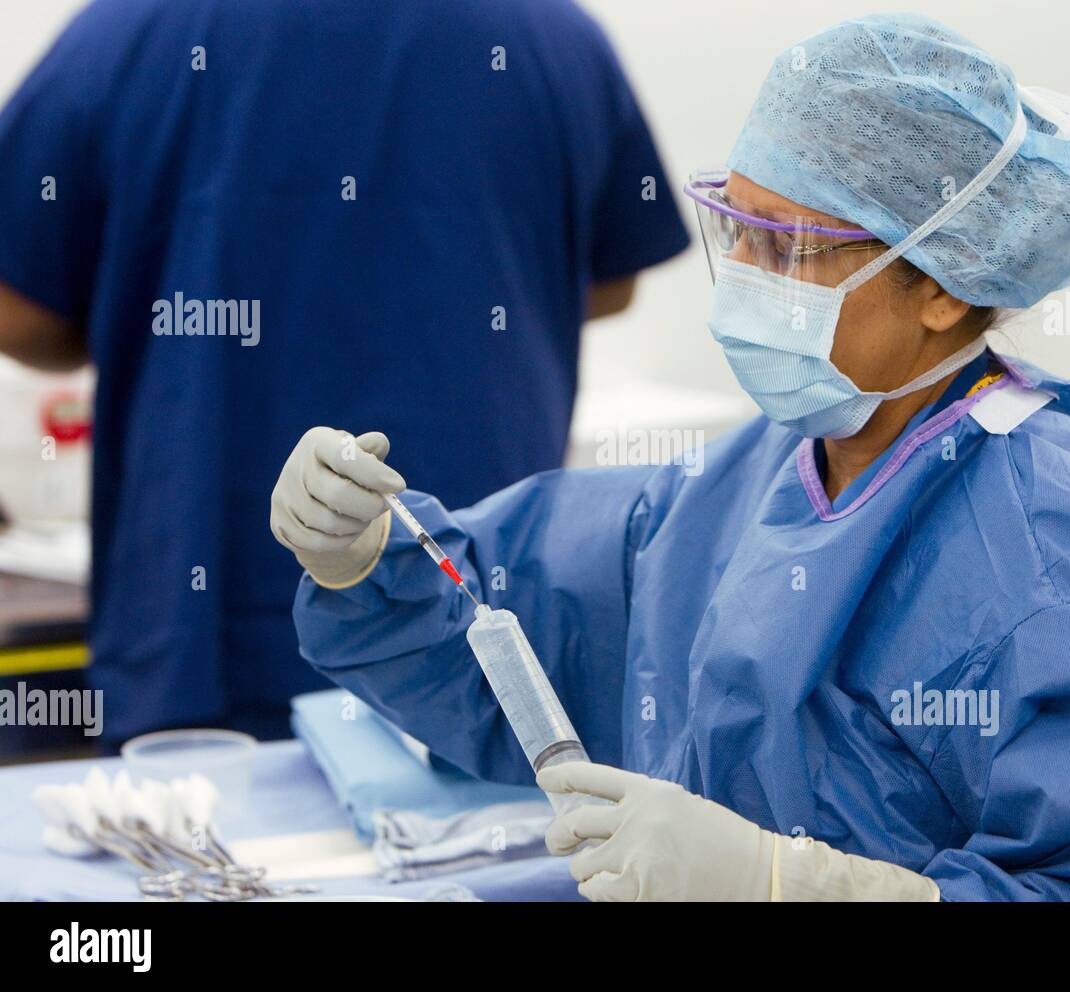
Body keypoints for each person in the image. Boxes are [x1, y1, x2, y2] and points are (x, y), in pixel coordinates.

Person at [273, 14, 1070, 900]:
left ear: (941, 287)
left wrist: (788, 884)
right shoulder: (759, 475)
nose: (743, 276)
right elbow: (520, 632)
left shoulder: (1051, 551)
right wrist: (364, 563)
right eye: (733, 227)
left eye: (789, 246)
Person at [0, 0, 688, 744]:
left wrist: (165, 324)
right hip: (479, 629)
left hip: (204, 633)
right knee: (506, 844)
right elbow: (609, 280)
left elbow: (19, 308)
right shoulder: (553, 37)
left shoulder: (129, 35)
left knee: (206, 832)